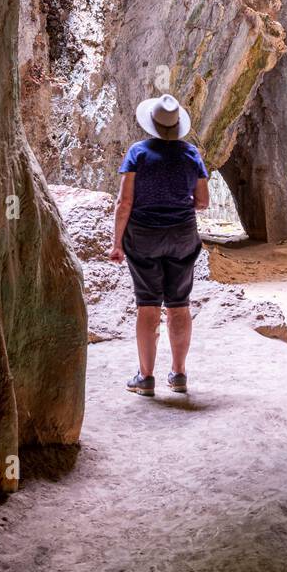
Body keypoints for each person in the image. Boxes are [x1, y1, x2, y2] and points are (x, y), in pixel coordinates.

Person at [109, 93, 209, 396]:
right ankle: (178, 375)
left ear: (151, 124)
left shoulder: (138, 153)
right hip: (182, 235)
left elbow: (124, 202)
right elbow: (203, 202)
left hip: (143, 237)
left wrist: (117, 244)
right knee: (179, 305)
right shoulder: (191, 155)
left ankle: (146, 377)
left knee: (148, 306)